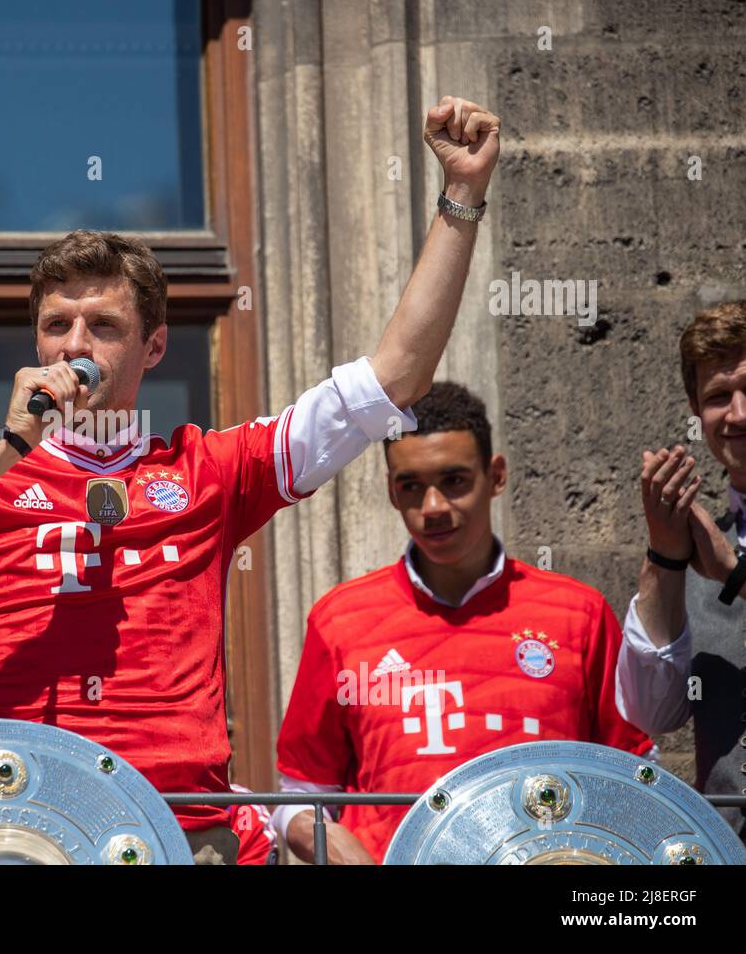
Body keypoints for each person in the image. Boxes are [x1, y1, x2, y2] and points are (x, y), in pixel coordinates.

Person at [0, 96, 503, 864]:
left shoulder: (208, 467)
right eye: (56, 325)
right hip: (22, 831)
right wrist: (10, 447)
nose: (73, 344)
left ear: (153, 348)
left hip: (180, 835)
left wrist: (462, 198)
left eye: (103, 327)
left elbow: (395, 380)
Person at [274, 383, 651, 863]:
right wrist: (344, 851)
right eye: (411, 486)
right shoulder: (339, 620)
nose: (432, 508)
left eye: (454, 481)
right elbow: (299, 797)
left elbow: (635, 774)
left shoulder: (579, 613)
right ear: (392, 491)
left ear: (496, 476)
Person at [618, 300, 746, 840]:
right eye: (719, 397)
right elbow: (654, 713)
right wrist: (665, 557)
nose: (737, 414)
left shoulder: (718, 560)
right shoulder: (702, 552)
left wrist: (733, 574)